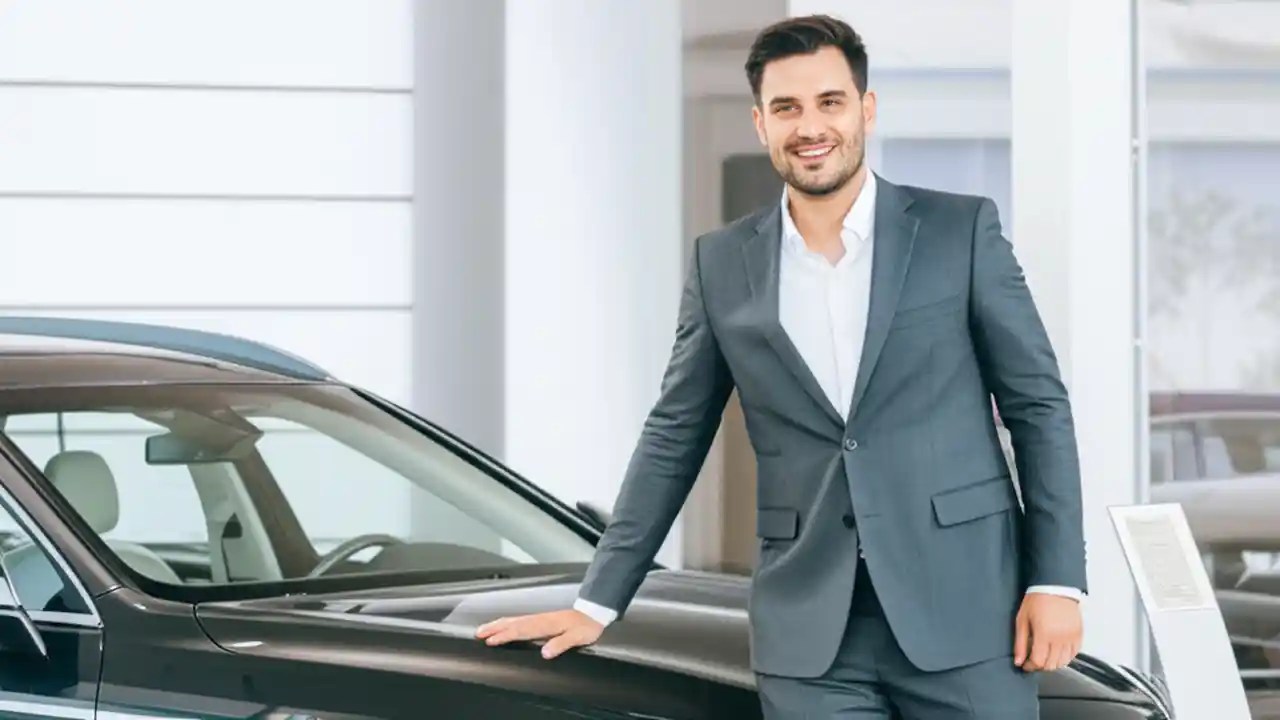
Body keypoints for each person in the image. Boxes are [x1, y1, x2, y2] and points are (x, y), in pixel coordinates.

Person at [477, 14, 1086, 718]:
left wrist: (1058, 581)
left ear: (866, 108)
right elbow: (674, 434)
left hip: (968, 612)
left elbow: (1038, 406)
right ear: (762, 124)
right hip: (811, 636)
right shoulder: (722, 263)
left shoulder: (961, 232)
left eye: (830, 102)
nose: (810, 126)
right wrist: (598, 600)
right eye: (787, 108)